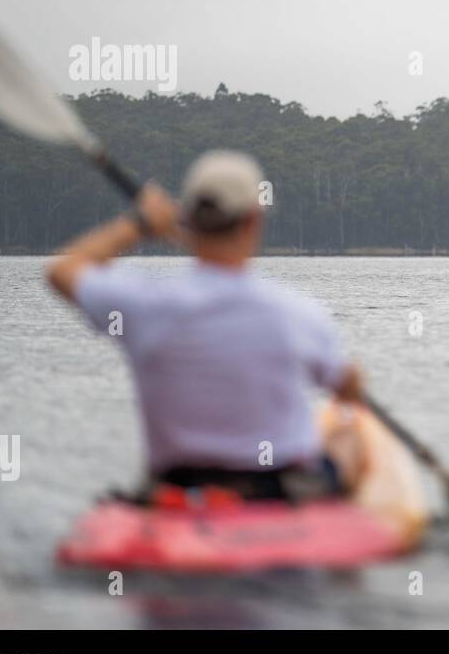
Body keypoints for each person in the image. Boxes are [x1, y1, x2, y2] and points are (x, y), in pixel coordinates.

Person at [45, 150, 364, 502]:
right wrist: (351, 383)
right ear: (253, 221)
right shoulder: (300, 313)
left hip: (177, 488)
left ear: (189, 219)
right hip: (277, 491)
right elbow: (343, 385)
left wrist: (140, 224)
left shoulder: (144, 302)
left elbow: (62, 271)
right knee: (349, 436)